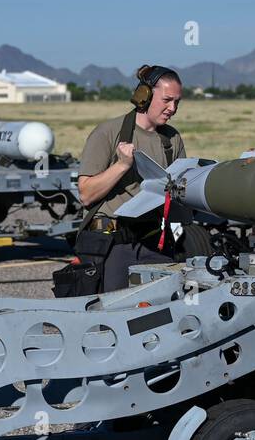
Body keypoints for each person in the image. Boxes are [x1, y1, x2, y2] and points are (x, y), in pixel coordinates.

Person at [74, 64, 189, 291]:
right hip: (114, 245)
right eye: (166, 100)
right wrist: (122, 165)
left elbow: (178, 198)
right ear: (143, 95)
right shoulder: (108, 133)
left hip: (155, 243)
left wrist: (179, 239)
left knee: (163, 312)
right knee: (111, 316)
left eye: (177, 102)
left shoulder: (172, 139)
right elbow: (86, 195)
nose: (172, 108)